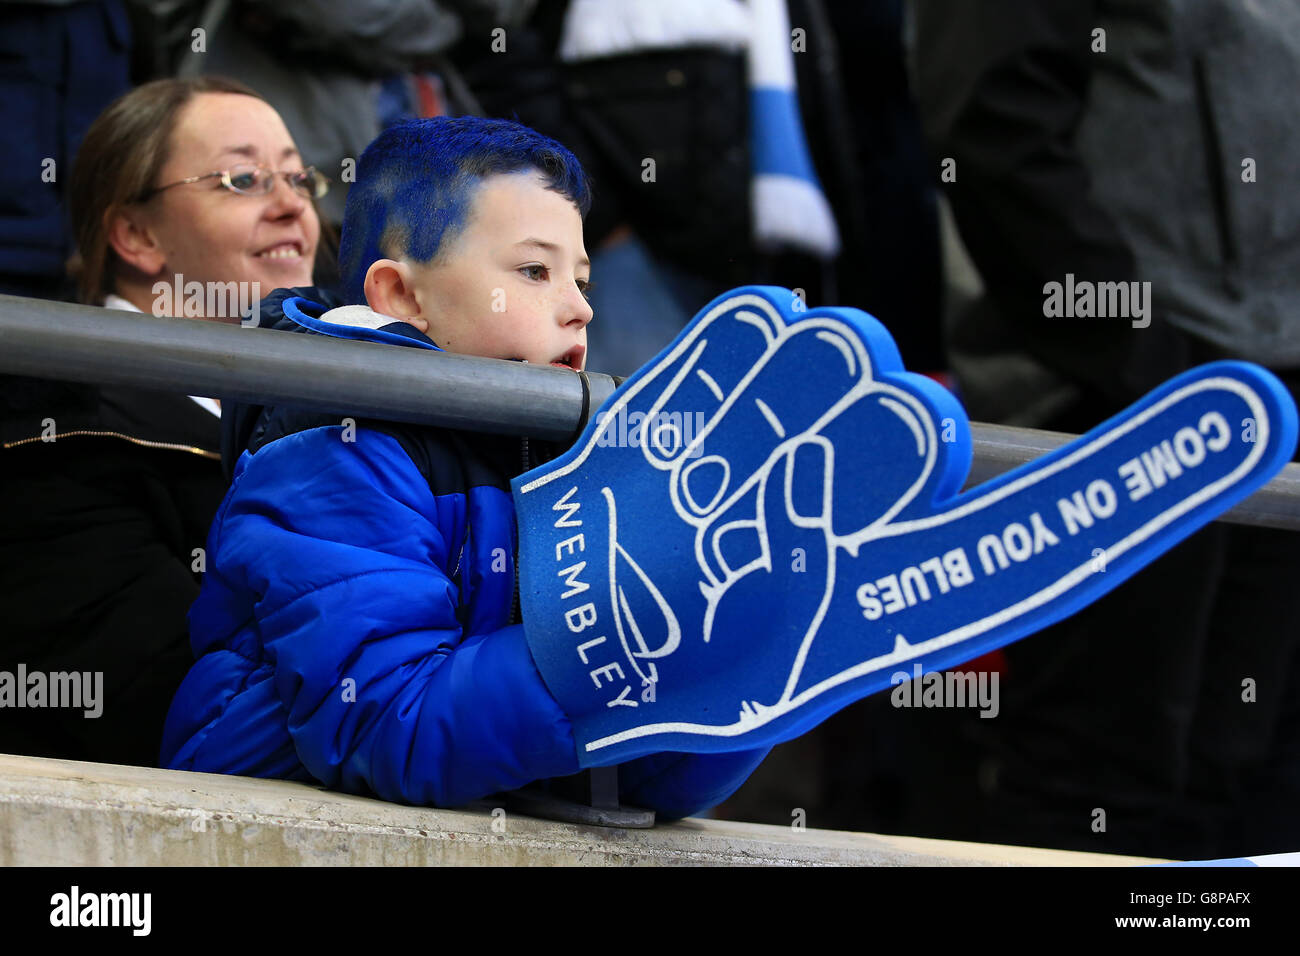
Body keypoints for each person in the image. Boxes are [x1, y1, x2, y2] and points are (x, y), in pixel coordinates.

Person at [160, 116, 770, 817]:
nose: (577, 308)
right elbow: (388, 721)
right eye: (535, 271)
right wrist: (608, 648)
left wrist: (737, 646)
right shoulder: (336, 452)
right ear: (403, 297)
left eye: (582, 279)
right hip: (248, 829)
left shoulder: (556, 456)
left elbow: (641, 783)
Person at [0, 76, 322, 767]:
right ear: (137, 234)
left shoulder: (329, 416)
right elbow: (164, 705)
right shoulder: (58, 430)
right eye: (243, 179)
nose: (292, 205)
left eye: (300, 178)